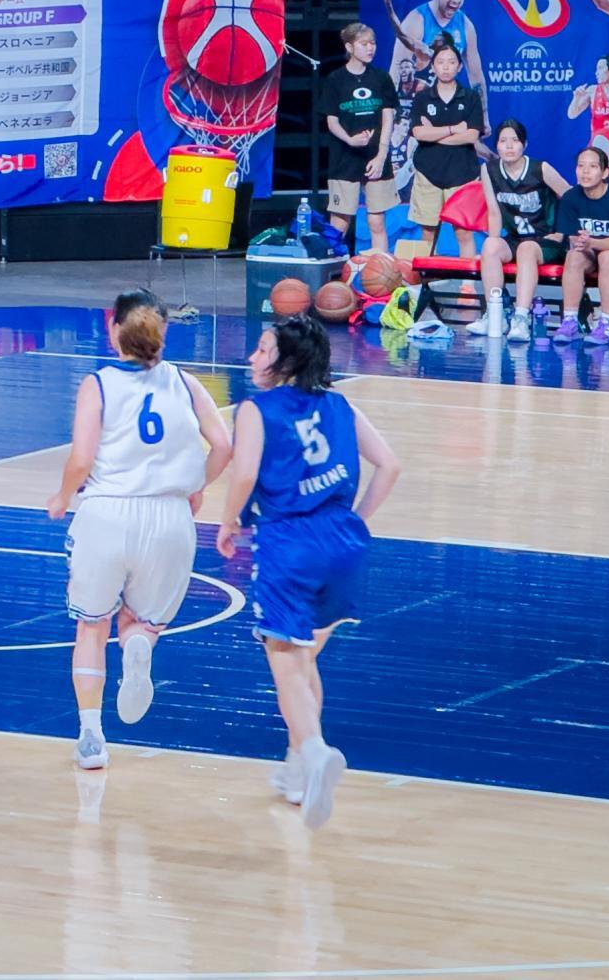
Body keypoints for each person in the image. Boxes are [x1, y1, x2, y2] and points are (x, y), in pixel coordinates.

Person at [216, 316, 402, 831]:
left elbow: (247, 471)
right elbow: (390, 465)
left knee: (282, 658)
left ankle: (315, 752)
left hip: (289, 541)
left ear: (287, 361)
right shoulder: (341, 404)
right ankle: (298, 770)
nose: (253, 358)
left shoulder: (256, 408)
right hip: (343, 542)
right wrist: (355, 522)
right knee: (305, 657)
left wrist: (228, 520)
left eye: (262, 349)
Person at [44, 290, 231, 771]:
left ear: (113, 330)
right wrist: (195, 486)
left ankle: (91, 738)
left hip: (108, 514)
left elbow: (82, 459)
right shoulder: (186, 383)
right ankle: (141, 645)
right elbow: (225, 445)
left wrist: (63, 497)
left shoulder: (98, 383)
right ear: (161, 333)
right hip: (169, 518)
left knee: (91, 625)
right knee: (141, 623)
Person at [471, 119, 570, 341]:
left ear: (524, 144)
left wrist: (563, 232)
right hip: (516, 238)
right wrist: (492, 248)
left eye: (514, 141)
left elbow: (571, 197)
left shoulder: (539, 168)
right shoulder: (489, 169)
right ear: (496, 145)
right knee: (490, 245)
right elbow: (494, 212)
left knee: (527, 249)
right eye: (503, 141)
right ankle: (495, 314)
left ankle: (521, 317)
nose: (508, 146)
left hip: (547, 240)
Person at [319, 23, 397, 257]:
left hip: (375, 157)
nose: (370, 48)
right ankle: (331, 272)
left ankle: (381, 275)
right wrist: (350, 140)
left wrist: (381, 154)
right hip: (345, 159)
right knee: (339, 222)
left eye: (373, 43)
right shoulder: (335, 80)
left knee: (376, 221)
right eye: (364, 44)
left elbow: (388, 116)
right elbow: (331, 121)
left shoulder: (382, 78)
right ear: (350, 47)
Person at [404, 35, 485, 255]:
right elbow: (419, 133)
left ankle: (467, 286)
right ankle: (423, 285)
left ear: (459, 67)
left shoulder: (470, 98)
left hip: (462, 174)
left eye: (451, 62)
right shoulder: (423, 98)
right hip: (428, 172)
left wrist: (435, 134)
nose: (446, 67)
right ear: (433, 66)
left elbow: (470, 136)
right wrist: (452, 129)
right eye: (440, 62)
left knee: (463, 231)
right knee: (428, 232)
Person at [551, 145, 609, 344]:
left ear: (605, 172)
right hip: (588, 250)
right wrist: (582, 243)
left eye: (592, 166)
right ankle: (570, 321)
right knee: (573, 256)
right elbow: (572, 237)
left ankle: (606, 324)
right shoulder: (571, 197)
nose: (585, 171)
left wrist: (592, 242)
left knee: (607, 257)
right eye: (581, 166)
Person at [382, 0, 486, 95]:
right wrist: (391, 112)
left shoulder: (466, 26)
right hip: (416, 105)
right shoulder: (417, 20)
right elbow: (396, 70)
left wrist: (484, 114)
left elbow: (476, 77)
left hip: (444, 105)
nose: (456, 0)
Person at [567, 54, 609, 145]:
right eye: (596, 69)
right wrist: (576, 98)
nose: (596, 73)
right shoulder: (592, 91)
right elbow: (571, 114)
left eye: (600, 68)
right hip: (597, 148)